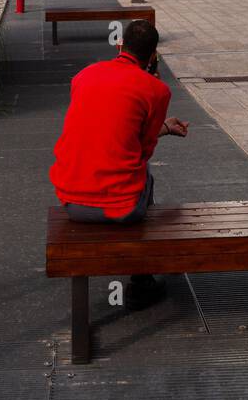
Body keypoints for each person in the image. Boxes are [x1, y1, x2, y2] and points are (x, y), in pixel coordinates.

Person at [50, 19, 189, 310]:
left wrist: (163, 126)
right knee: (145, 174)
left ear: (119, 45)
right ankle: (141, 279)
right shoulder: (156, 90)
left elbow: (105, 124)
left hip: (71, 200)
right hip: (123, 208)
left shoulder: (84, 76)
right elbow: (143, 151)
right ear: (153, 56)